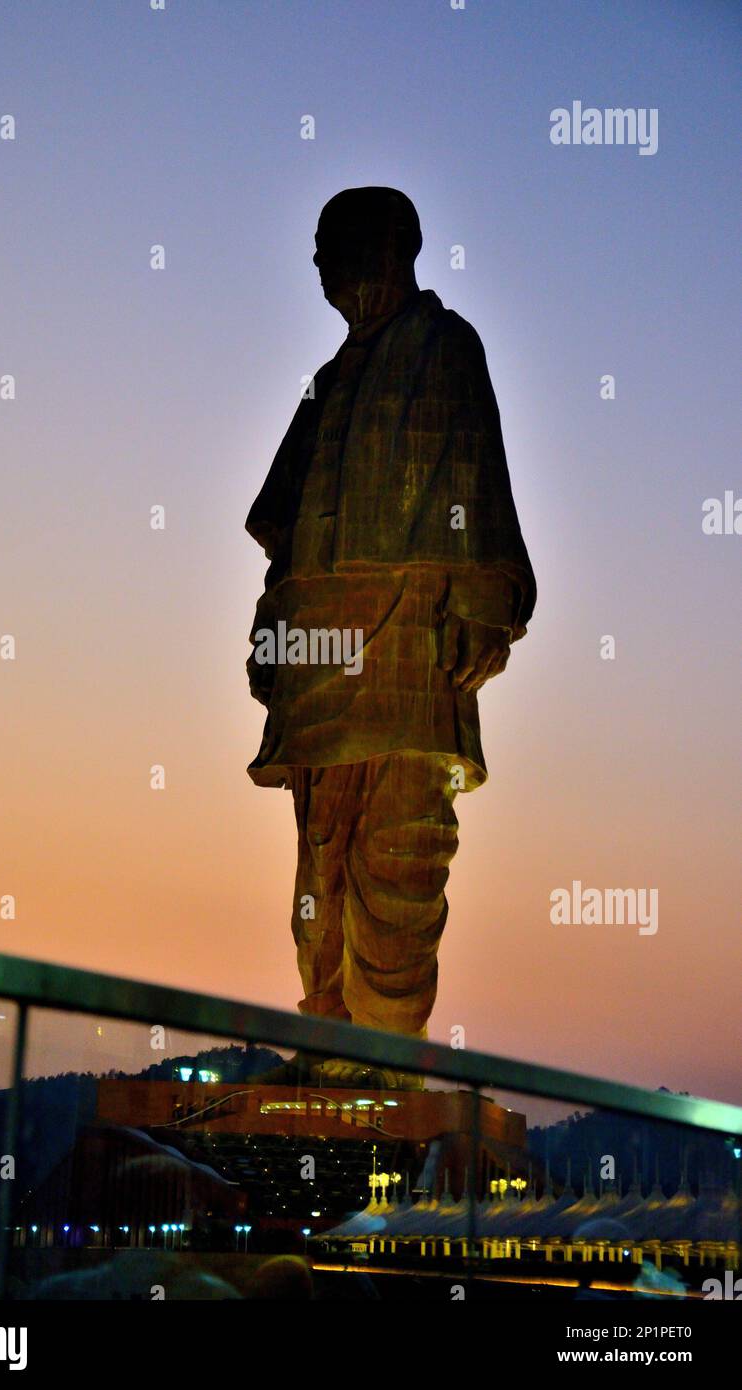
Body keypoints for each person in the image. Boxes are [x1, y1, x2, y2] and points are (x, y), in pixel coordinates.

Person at [246, 188, 535, 1084]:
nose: (325, 263)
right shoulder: (328, 383)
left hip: (412, 635)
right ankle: (329, 1045)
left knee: (401, 851)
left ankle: (387, 1062)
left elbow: (479, 470)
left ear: (398, 246)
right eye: (320, 247)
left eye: (340, 243)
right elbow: (282, 525)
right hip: (321, 652)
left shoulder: (446, 348)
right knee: (319, 861)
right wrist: (271, 628)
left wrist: (486, 599)